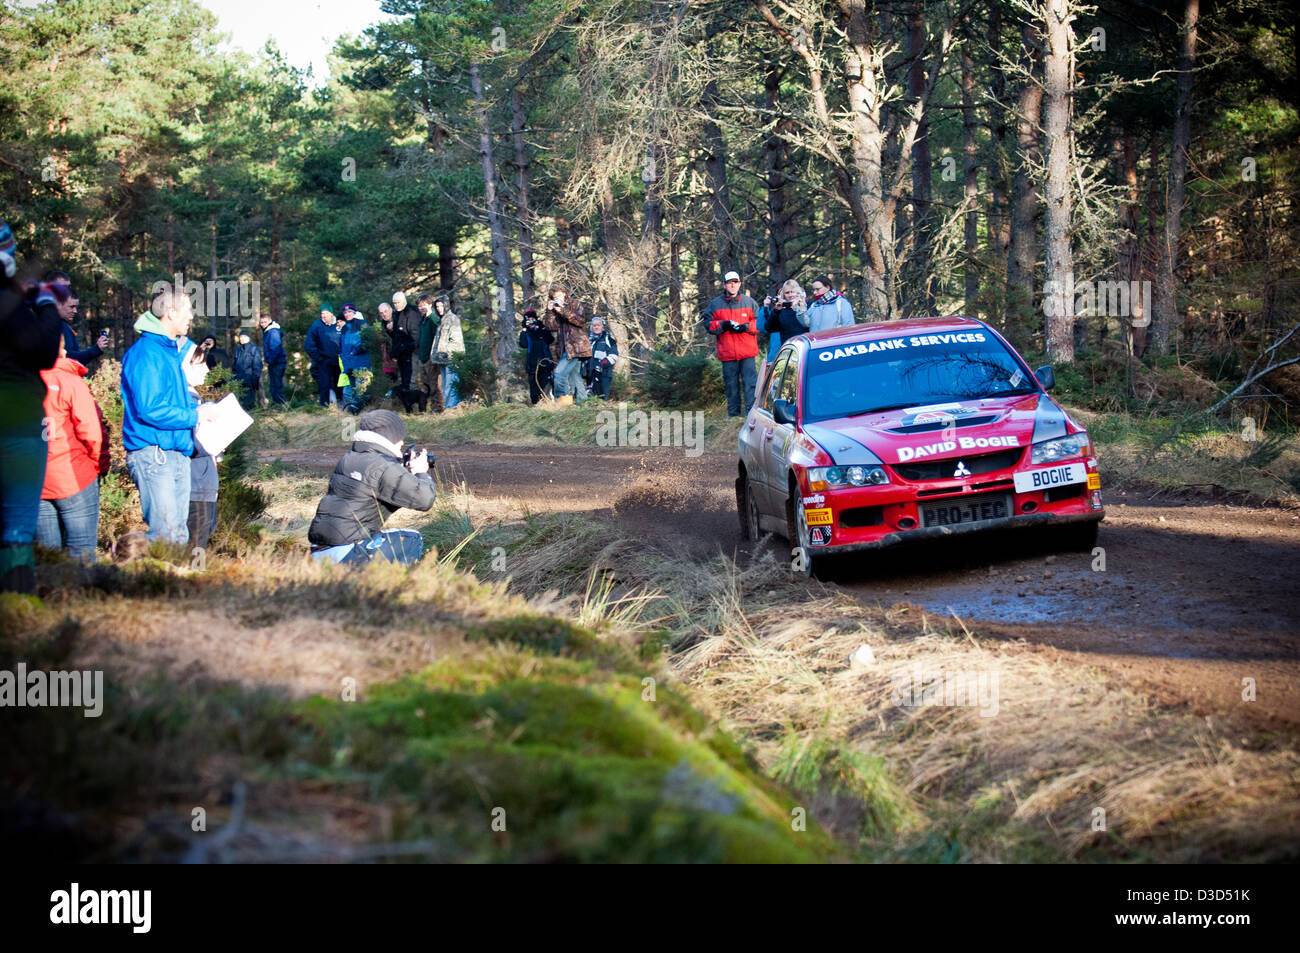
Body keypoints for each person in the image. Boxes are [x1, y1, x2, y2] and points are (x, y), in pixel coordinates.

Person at [122, 288, 213, 545]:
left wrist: (199, 413)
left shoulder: (169, 351)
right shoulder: (146, 353)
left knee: (178, 536)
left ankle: (171, 583)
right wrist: (194, 417)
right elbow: (149, 408)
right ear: (170, 313)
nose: (191, 317)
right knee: (165, 535)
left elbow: (173, 402)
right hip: (154, 453)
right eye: (188, 311)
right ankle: (138, 571)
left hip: (176, 452)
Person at [0, 222, 63, 592]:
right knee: (17, 528)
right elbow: (43, 352)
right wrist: (43, 303)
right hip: (20, 426)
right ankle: (18, 614)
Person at [307, 409, 436, 565]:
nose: (402, 443)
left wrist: (402, 468)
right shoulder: (384, 466)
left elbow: (371, 483)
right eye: (400, 438)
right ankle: (392, 585)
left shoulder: (349, 457)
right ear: (390, 436)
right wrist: (421, 472)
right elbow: (424, 499)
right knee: (410, 539)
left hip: (319, 552)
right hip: (347, 553)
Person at [37, 333, 109, 561]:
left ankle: (52, 595)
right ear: (61, 349)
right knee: (82, 555)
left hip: (35, 481)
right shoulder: (69, 382)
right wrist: (100, 465)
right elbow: (92, 432)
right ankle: (82, 594)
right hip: (73, 477)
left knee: (49, 558)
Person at [178, 335, 220, 552]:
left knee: (201, 541)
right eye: (201, 365)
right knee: (195, 544)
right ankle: (191, 581)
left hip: (204, 482)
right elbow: (188, 441)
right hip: (195, 485)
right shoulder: (183, 400)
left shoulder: (195, 398)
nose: (206, 371)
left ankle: (196, 578)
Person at [703, 270, 760, 417]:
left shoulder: (749, 303)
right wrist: (723, 325)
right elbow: (708, 324)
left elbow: (760, 323)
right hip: (727, 354)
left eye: (735, 282)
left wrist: (746, 327)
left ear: (740, 283)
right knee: (731, 387)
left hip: (747, 353)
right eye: (730, 283)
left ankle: (751, 416)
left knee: (750, 385)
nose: (733, 285)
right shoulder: (715, 304)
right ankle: (733, 417)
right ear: (724, 285)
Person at [43, 269, 108, 367]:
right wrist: (95, 349)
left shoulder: (60, 323)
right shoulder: (50, 323)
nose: (66, 291)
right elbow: (68, 359)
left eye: (68, 287)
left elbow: (73, 360)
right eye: (62, 288)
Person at [546, 284, 592, 403]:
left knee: (559, 373)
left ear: (564, 293)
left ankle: (564, 401)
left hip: (577, 347)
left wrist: (562, 310)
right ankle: (583, 402)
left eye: (559, 295)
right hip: (565, 348)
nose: (558, 299)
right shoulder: (556, 310)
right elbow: (551, 327)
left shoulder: (574, 303)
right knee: (574, 376)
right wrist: (550, 311)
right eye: (555, 297)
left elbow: (580, 320)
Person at [759, 279, 810, 361]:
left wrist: (801, 306)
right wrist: (776, 311)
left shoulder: (807, 306)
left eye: (792, 291)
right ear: (784, 294)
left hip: (805, 349)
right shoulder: (781, 310)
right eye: (787, 293)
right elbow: (769, 328)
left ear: (798, 292)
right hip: (788, 351)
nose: (790, 295)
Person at [304, 303, 343, 407]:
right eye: (322, 313)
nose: (324, 316)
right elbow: (309, 344)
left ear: (331, 314)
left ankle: (341, 406)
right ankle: (324, 407)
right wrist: (319, 358)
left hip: (339, 361)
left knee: (339, 384)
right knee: (324, 385)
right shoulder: (316, 326)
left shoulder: (339, 323)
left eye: (326, 313)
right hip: (323, 361)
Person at [430, 294, 464, 410]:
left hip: (452, 358)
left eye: (441, 306)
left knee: (451, 385)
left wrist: (446, 353)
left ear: (446, 305)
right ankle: (449, 408)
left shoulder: (452, 319)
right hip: (443, 359)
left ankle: (453, 408)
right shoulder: (441, 321)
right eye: (437, 306)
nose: (439, 308)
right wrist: (436, 355)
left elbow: (456, 341)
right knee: (445, 385)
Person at [338, 303, 371, 414]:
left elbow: (368, 342)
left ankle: (361, 411)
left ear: (354, 312)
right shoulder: (344, 329)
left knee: (360, 391)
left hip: (361, 364)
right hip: (349, 366)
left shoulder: (363, 324)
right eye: (345, 313)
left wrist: (357, 350)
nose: (347, 314)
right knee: (348, 392)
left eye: (349, 312)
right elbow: (342, 348)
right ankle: (355, 411)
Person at [518, 309, 555, 404]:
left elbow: (551, 340)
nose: (531, 322)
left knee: (546, 390)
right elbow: (523, 344)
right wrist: (524, 330)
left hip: (546, 366)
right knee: (534, 393)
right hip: (532, 367)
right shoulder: (527, 333)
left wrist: (542, 328)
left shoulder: (542, 331)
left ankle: (549, 407)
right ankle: (537, 409)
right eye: (528, 320)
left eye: (533, 319)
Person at [389, 291, 420, 391]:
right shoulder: (396, 314)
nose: (396, 305)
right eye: (394, 303)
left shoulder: (412, 313)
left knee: (411, 380)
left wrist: (409, 350)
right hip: (401, 353)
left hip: (411, 353)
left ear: (404, 301)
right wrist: (394, 353)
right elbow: (396, 336)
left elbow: (415, 335)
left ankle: (414, 404)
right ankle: (406, 405)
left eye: (398, 302)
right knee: (402, 380)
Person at [587, 317, 619, 400]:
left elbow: (614, 356)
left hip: (605, 372)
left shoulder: (609, 339)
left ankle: (604, 408)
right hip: (590, 372)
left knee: (604, 396)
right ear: (591, 327)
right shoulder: (588, 340)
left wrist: (602, 364)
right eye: (594, 325)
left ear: (603, 327)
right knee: (592, 396)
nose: (596, 327)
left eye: (598, 325)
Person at [259, 313, 286, 404]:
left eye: (264, 322)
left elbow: (275, 348)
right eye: (261, 322)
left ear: (270, 321)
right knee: (274, 386)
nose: (262, 324)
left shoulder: (273, 332)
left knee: (276, 386)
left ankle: (282, 405)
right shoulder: (268, 332)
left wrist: (270, 360)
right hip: (274, 363)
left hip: (277, 363)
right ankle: (278, 405)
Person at [231, 330, 263, 410]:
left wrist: (254, 380)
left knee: (249, 404)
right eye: (241, 337)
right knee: (240, 405)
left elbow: (257, 366)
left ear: (248, 338)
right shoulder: (238, 350)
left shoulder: (254, 349)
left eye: (244, 337)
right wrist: (233, 378)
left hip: (250, 381)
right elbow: (234, 366)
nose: (242, 338)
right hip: (238, 381)